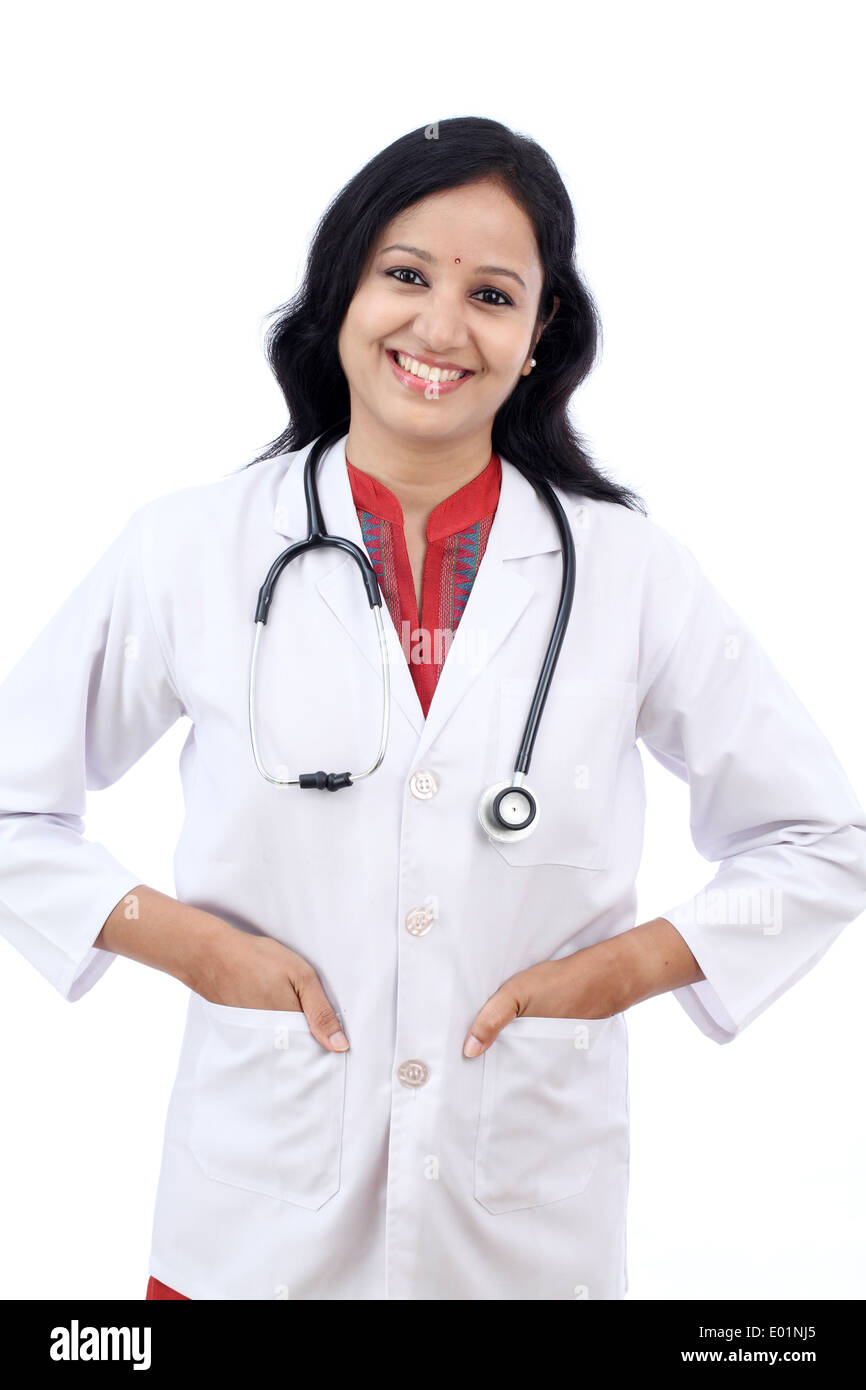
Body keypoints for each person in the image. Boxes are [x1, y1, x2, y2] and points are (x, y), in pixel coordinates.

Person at [1, 116, 865, 1302]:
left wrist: (621, 972)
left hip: (521, 1234)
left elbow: (819, 839)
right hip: (252, 1230)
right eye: (405, 274)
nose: (439, 327)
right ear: (342, 288)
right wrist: (191, 947)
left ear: (535, 335)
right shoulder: (190, 548)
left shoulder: (627, 574)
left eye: (492, 292)